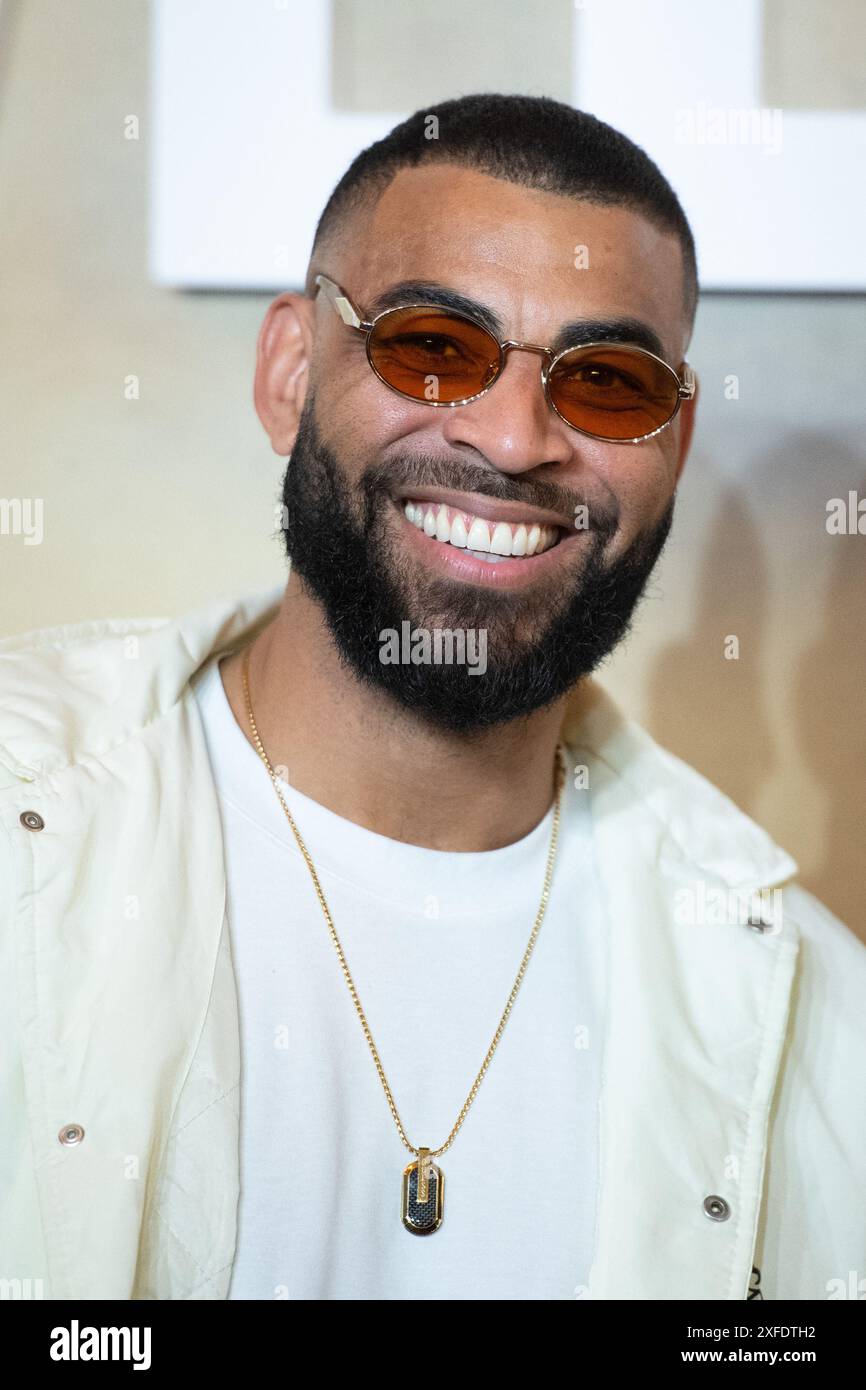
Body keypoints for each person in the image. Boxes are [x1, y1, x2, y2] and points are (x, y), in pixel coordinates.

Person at [1, 94, 863, 1303]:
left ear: (669, 442)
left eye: (605, 381)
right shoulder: (20, 825)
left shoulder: (817, 1015)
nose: (513, 440)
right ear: (291, 374)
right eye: (432, 347)